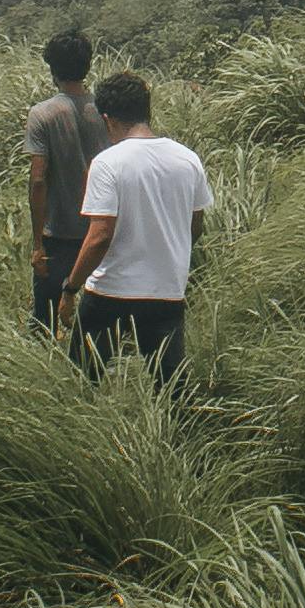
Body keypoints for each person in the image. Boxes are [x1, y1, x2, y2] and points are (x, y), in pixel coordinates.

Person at [58, 70, 211, 383]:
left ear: (107, 118)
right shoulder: (187, 160)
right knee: (171, 391)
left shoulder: (108, 163)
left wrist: (70, 287)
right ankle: (178, 433)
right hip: (166, 292)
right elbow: (194, 226)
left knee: (82, 381)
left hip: (110, 293)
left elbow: (99, 236)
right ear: (147, 110)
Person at [25, 29, 111, 338]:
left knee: (44, 323)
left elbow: (38, 180)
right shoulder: (105, 111)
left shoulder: (42, 114)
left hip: (58, 235)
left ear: (52, 68)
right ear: (87, 65)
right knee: (97, 324)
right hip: (101, 229)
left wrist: (37, 244)